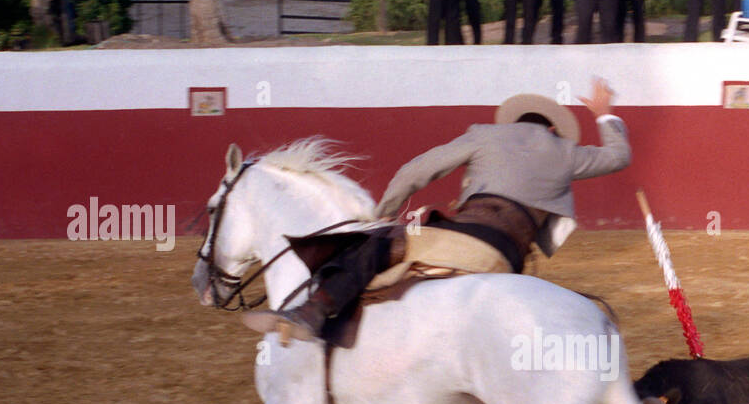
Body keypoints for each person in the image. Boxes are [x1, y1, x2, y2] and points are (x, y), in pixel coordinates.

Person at [240, 79, 631, 343]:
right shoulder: (567, 153)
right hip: (510, 259)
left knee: (371, 246)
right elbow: (619, 155)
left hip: (466, 239)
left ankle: (313, 310)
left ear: (512, 122)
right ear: (552, 129)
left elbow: (417, 172)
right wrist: (604, 111)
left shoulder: (486, 135)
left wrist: (382, 216)